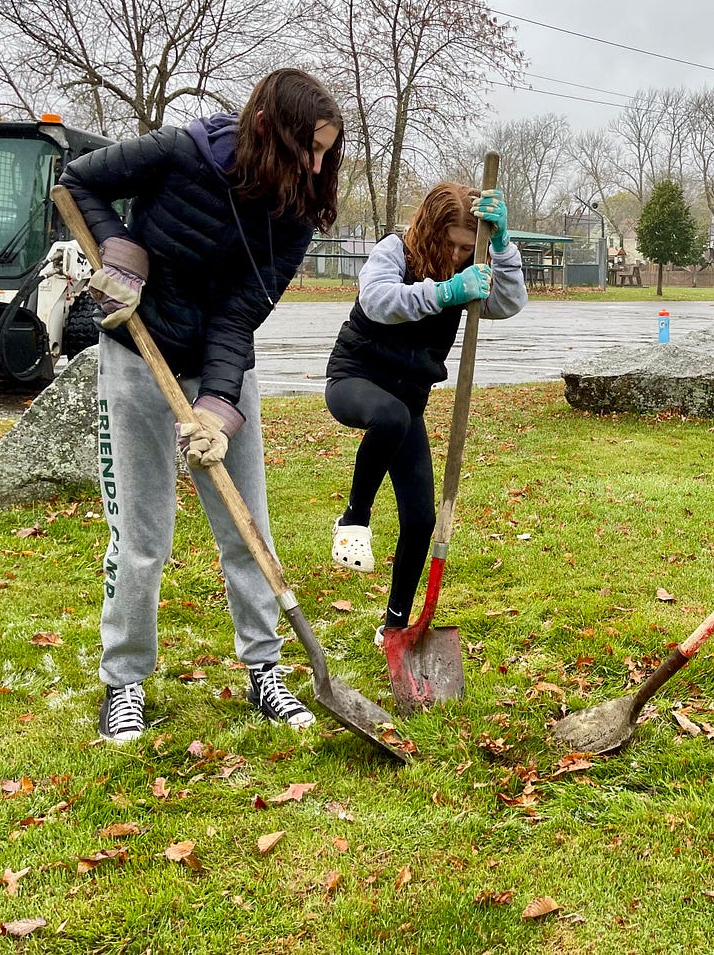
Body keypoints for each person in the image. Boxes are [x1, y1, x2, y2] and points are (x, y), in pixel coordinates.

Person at [61, 69, 344, 743]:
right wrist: (119, 262)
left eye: (328, 152)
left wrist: (217, 407)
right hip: (136, 350)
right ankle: (123, 681)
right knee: (142, 534)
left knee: (247, 525)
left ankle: (266, 671)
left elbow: (241, 309)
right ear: (268, 129)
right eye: (308, 147)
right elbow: (78, 181)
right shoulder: (180, 151)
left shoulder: (295, 211)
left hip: (220, 360)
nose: (316, 165)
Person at [325, 182, 526, 644]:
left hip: (408, 400)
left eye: (465, 247)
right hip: (356, 380)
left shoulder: (473, 267)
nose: (458, 257)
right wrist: (446, 292)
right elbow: (378, 301)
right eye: (451, 244)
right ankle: (354, 519)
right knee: (390, 417)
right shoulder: (394, 251)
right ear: (431, 231)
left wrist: (501, 248)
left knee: (420, 520)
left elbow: (508, 303)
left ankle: (395, 627)